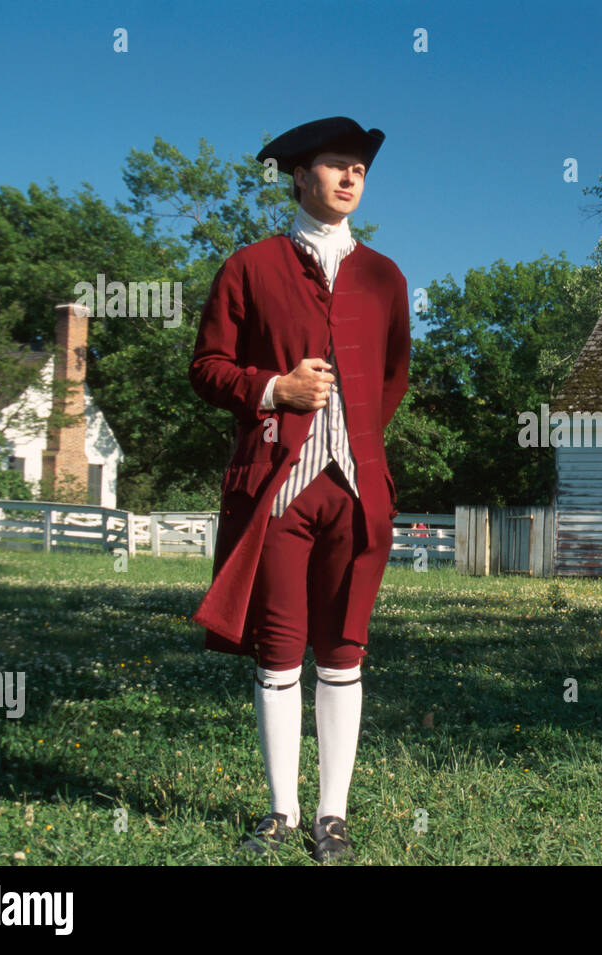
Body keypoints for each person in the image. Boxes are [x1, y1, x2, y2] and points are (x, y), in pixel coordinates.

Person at [188, 116, 410, 863]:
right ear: (298, 176)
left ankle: (333, 814)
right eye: (336, 166)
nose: (351, 178)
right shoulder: (249, 267)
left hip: (356, 489)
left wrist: (360, 442)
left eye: (360, 169)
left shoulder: (385, 276)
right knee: (279, 651)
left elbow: (392, 376)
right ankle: (282, 811)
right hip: (277, 491)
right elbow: (207, 367)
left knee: (343, 650)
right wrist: (272, 386)